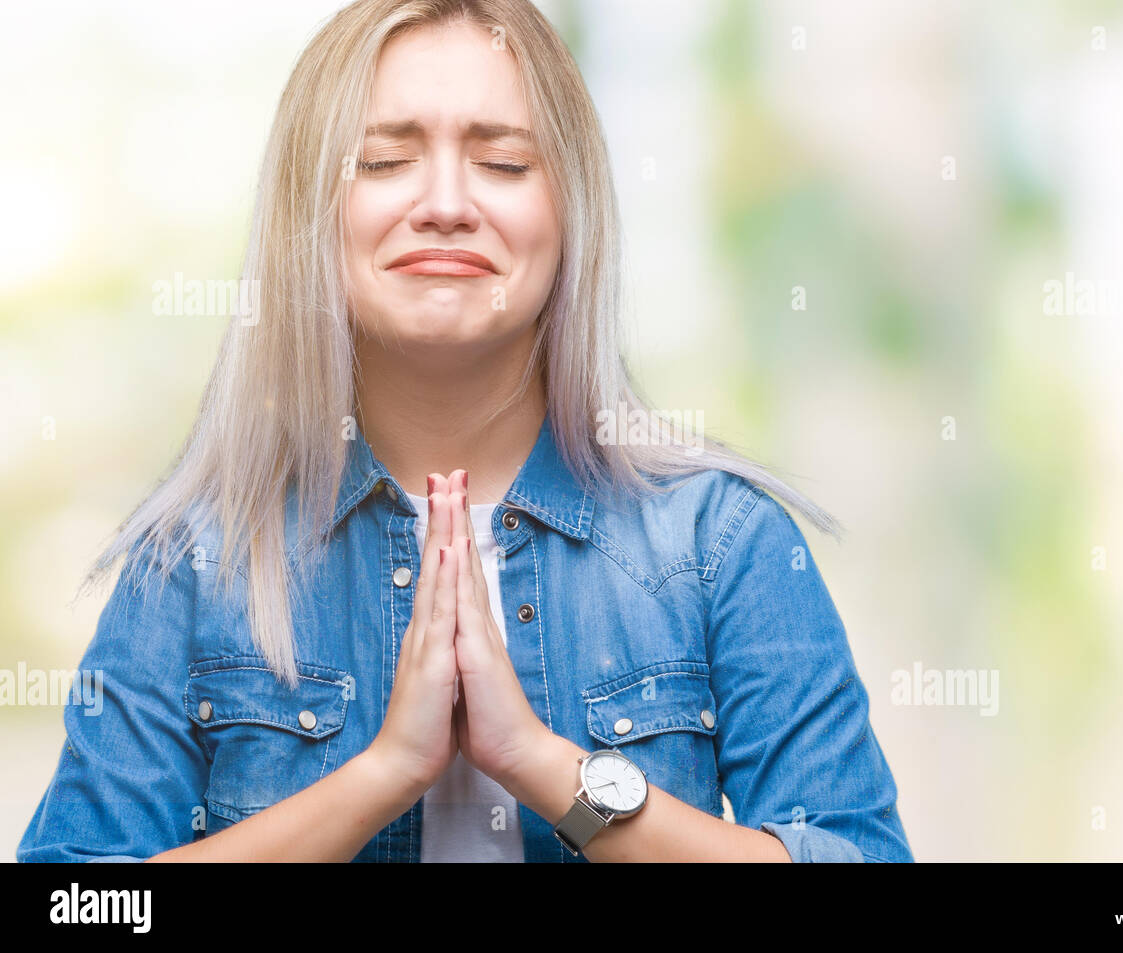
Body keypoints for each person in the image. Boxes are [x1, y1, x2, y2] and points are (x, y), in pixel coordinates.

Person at [17, 0, 912, 863]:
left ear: (571, 214)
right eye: (382, 161)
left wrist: (542, 763)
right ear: (309, 214)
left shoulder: (723, 543)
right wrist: (379, 777)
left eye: (505, 163)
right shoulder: (194, 563)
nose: (446, 203)